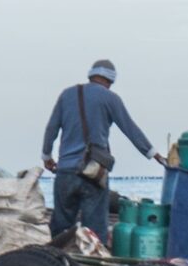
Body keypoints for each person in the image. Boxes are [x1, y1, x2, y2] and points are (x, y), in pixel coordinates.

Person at [41, 59, 170, 243]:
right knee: (95, 229)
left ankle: (55, 257)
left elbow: (52, 128)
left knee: (61, 226)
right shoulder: (110, 98)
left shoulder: (67, 95)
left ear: (91, 75)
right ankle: (92, 257)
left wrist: (47, 156)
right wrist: (154, 154)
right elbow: (130, 129)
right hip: (92, 172)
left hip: (65, 172)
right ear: (110, 80)